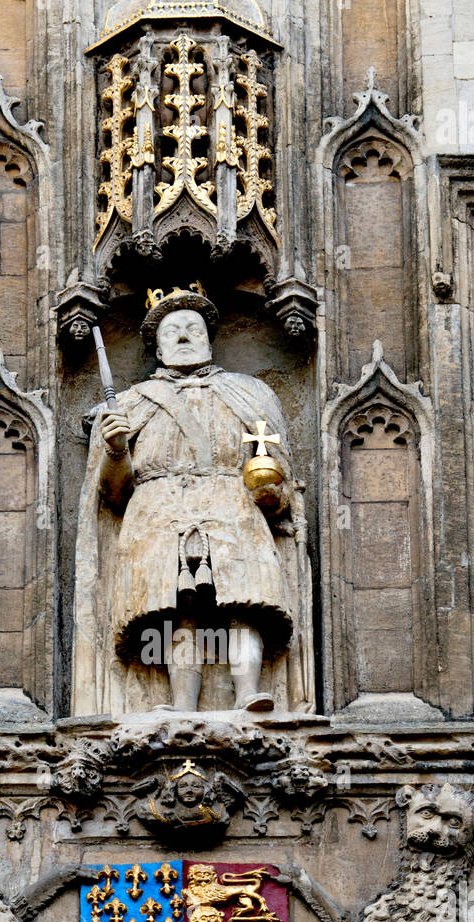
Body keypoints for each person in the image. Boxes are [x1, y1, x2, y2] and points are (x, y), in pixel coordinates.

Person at [72, 283, 314, 716]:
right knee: (176, 609)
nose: (184, 335)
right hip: (157, 512)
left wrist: (271, 492)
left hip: (230, 503)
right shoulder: (128, 405)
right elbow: (111, 494)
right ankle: (182, 701)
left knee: (244, 600)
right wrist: (114, 449)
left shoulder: (250, 392)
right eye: (172, 330)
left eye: (194, 328)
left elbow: (276, 468)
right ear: (157, 347)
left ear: (210, 338)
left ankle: (248, 691)